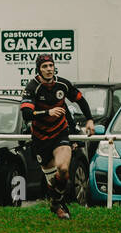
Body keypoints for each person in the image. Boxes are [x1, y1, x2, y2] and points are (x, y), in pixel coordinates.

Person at [20, 53, 95, 220]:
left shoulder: (63, 84)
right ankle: (57, 203)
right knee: (53, 180)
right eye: (44, 67)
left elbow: (80, 100)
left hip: (60, 133)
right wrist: (48, 112)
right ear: (38, 70)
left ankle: (56, 203)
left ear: (54, 67)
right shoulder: (32, 87)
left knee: (63, 170)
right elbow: (26, 114)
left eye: (51, 66)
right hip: (40, 139)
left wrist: (89, 119)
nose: (48, 69)